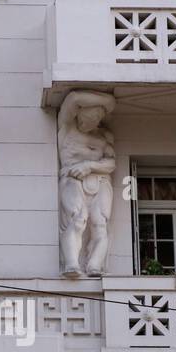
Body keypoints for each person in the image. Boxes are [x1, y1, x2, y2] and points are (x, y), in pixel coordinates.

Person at [57, 90, 117, 277]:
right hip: (72, 179)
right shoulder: (67, 127)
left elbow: (111, 163)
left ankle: (95, 265)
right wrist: (107, 102)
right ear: (79, 113)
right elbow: (73, 98)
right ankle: (72, 264)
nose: (88, 124)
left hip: (99, 180)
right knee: (77, 217)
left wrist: (89, 166)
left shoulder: (104, 137)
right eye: (86, 118)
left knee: (100, 223)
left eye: (93, 121)